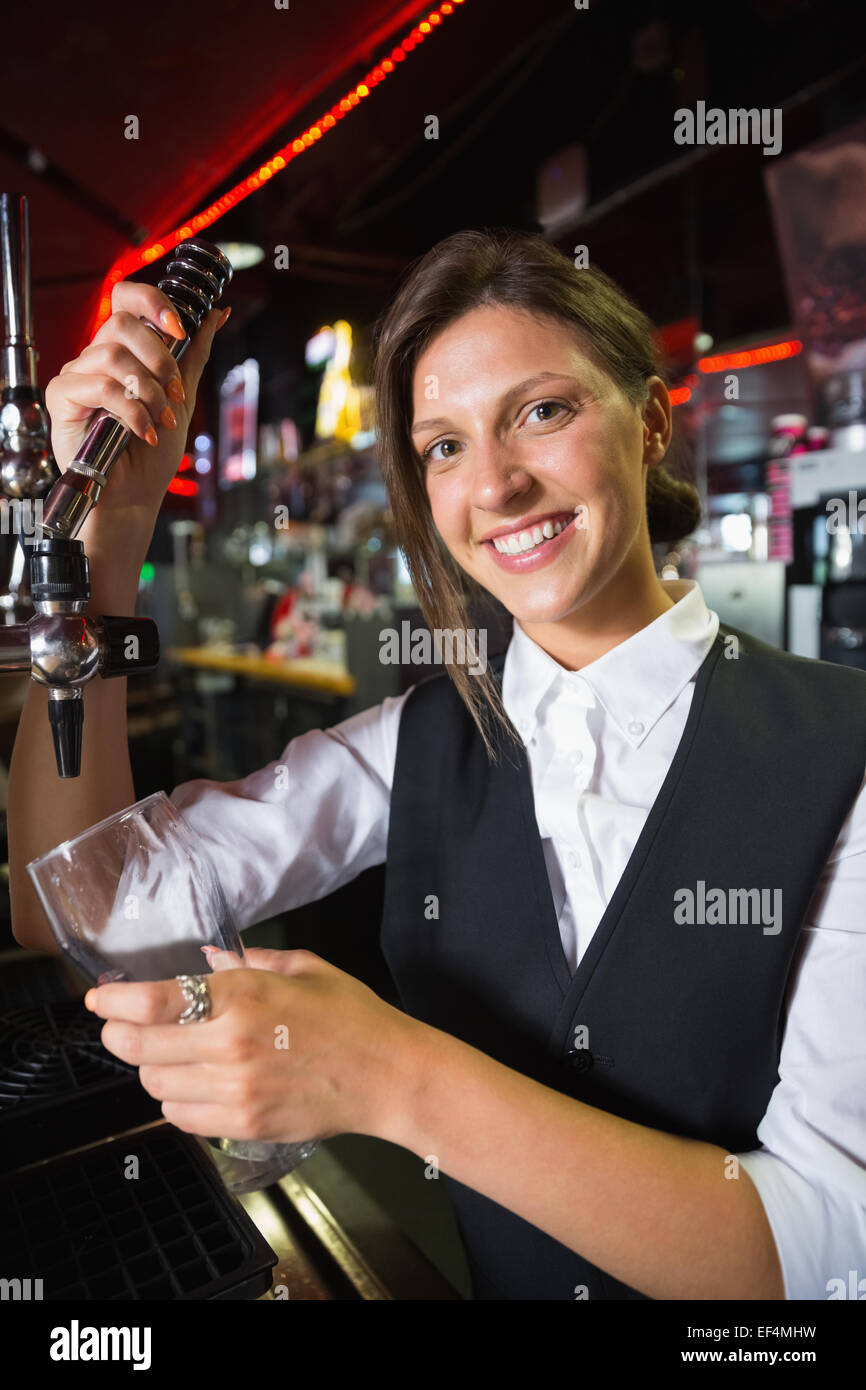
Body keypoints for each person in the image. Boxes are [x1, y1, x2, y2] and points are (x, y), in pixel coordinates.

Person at [9, 230, 866, 1301]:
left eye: (540, 411)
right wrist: (116, 524)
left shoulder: (842, 756)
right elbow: (84, 902)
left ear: (650, 423)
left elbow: (828, 1250)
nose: (496, 485)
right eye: (444, 446)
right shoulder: (415, 740)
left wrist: (392, 1077)